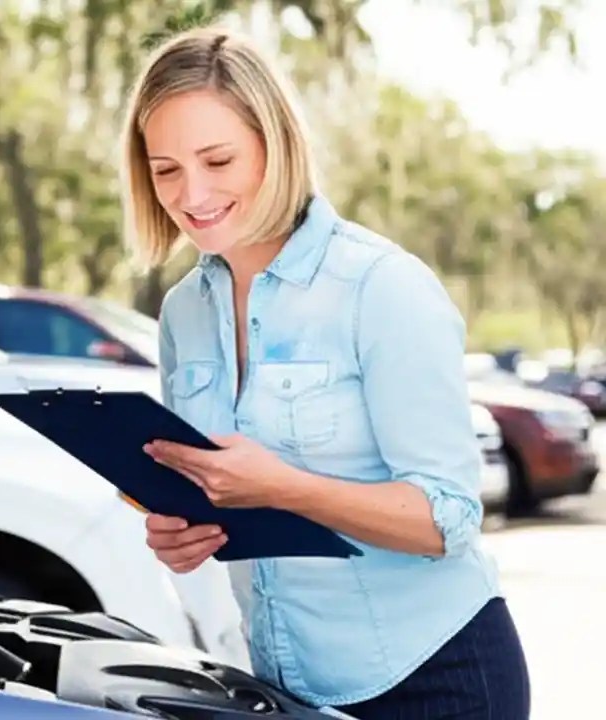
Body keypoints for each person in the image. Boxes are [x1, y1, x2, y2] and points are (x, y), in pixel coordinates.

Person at [118, 27, 530, 719]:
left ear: (274, 147)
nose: (193, 194)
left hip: (436, 679)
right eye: (165, 170)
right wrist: (180, 530)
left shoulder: (382, 287)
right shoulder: (183, 312)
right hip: (286, 684)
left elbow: (448, 518)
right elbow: (212, 489)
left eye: (218, 160)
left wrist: (283, 488)